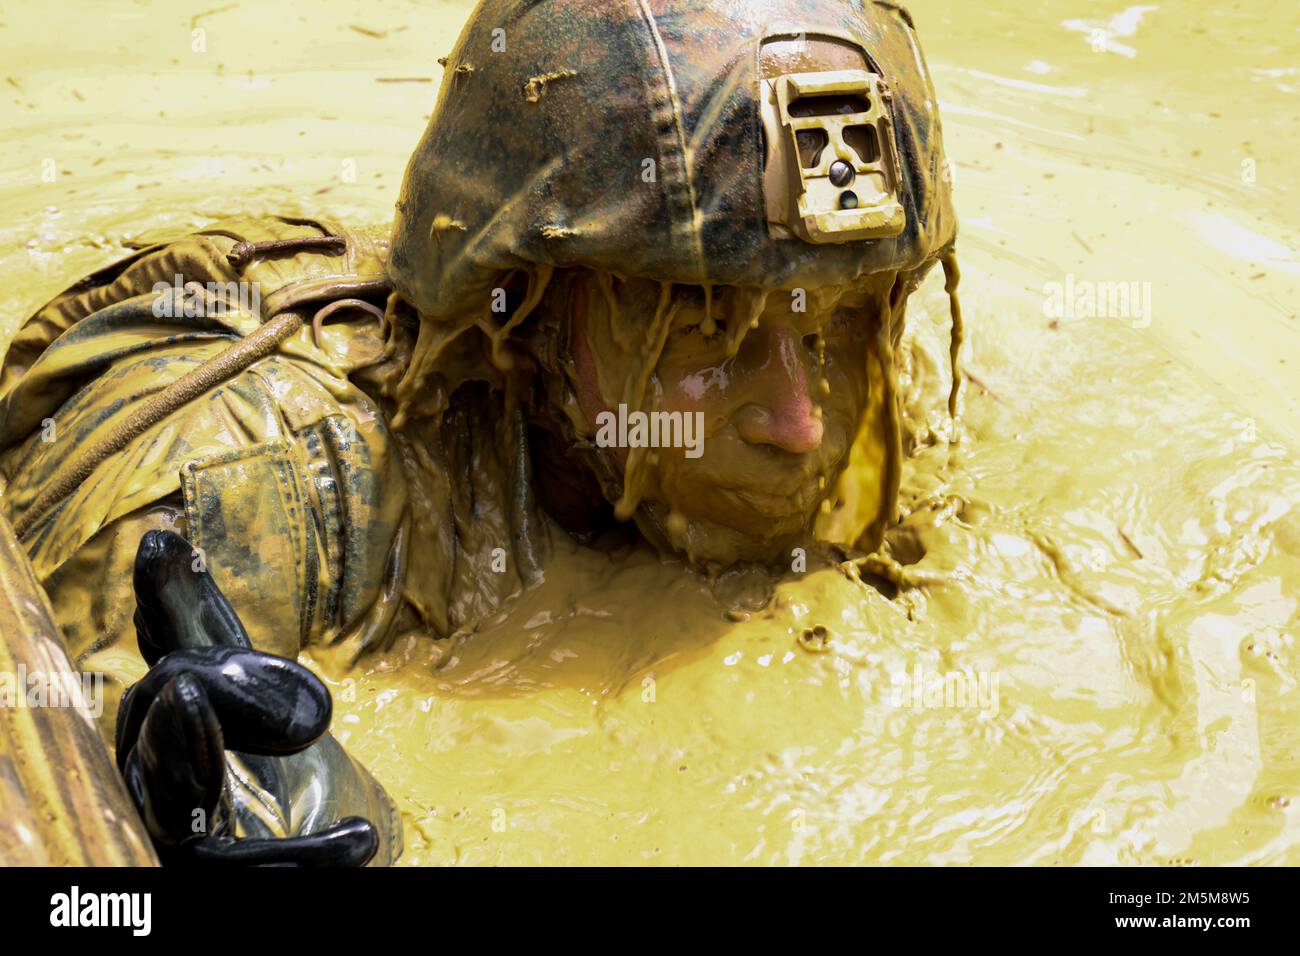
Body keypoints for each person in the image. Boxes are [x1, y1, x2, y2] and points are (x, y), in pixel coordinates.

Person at [0, 0, 958, 865]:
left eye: (836, 319)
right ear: (526, 314)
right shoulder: (255, 478)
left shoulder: (858, 393)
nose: (801, 423)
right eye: (708, 328)